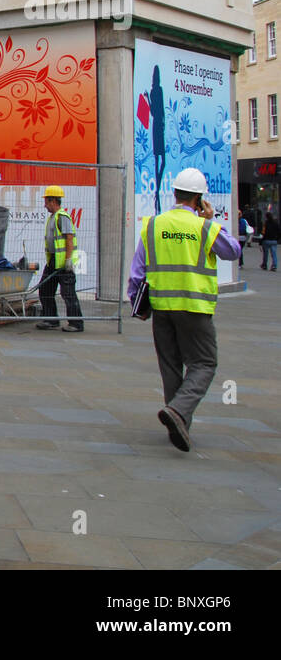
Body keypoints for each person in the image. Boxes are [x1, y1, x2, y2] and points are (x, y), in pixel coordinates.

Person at [128, 167, 241, 452]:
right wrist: (212, 220)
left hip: (162, 307)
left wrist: (136, 303)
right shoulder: (205, 227)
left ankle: (178, 423)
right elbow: (233, 251)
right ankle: (178, 411)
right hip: (195, 307)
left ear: (175, 193)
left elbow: (137, 272)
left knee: (170, 366)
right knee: (204, 364)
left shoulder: (153, 225)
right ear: (199, 199)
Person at [36, 185, 84, 332]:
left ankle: (76, 324)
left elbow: (69, 238)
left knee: (68, 293)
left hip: (63, 263)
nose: (44, 205)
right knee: (45, 290)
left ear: (53, 201)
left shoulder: (62, 217)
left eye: (46, 201)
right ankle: (51, 320)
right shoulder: (53, 217)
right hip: (53, 262)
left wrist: (68, 260)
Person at [149, 67, 165, 213]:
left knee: (161, 161)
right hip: (158, 126)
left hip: (159, 126)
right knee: (158, 161)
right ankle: (157, 196)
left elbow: (158, 111)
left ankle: (157, 192)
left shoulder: (157, 90)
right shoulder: (156, 91)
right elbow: (156, 112)